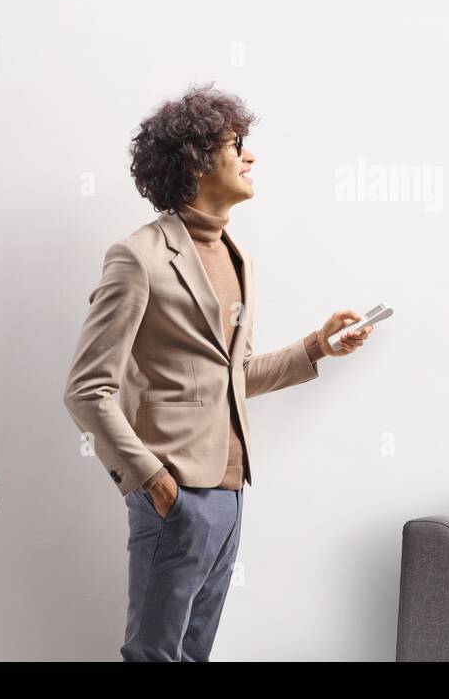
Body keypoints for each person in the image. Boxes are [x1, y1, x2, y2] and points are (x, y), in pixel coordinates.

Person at [62, 82, 373, 661]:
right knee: (153, 653)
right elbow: (86, 389)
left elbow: (236, 374)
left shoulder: (237, 254)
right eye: (238, 144)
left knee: (192, 654)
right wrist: (151, 478)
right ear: (198, 160)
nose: (251, 156)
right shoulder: (139, 257)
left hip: (229, 491)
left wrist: (318, 347)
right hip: (173, 489)